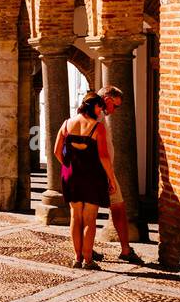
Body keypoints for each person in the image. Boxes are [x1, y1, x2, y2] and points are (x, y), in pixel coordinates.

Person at [54, 92, 115, 269]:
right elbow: (103, 156)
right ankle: (88, 260)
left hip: (71, 176)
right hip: (92, 176)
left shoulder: (66, 124)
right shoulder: (98, 127)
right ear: (93, 106)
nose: (101, 110)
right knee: (90, 219)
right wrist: (110, 178)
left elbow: (57, 151)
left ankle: (77, 258)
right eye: (99, 107)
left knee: (75, 216)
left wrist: (68, 165)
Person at [94, 85, 144, 265]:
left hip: (94, 171)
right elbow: (102, 153)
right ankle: (125, 249)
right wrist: (109, 176)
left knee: (87, 212)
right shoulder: (97, 118)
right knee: (119, 208)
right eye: (115, 105)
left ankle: (86, 250)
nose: (115, 110)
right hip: (102, 171)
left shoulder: (88, 116)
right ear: (107, 100)